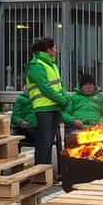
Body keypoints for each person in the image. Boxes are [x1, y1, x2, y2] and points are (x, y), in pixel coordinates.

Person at [24, 37, 67, 166]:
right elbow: (44, 88)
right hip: (43, 109)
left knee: (48, 143)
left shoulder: (51, 64)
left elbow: (59, 84)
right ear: (48, 50)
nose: (56, 50)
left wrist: (64, 97)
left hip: (54, 107)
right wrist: (62, 100)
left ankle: (46, 173)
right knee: (44, 143)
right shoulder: (37, 65)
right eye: (54, 47)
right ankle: (40, 174)